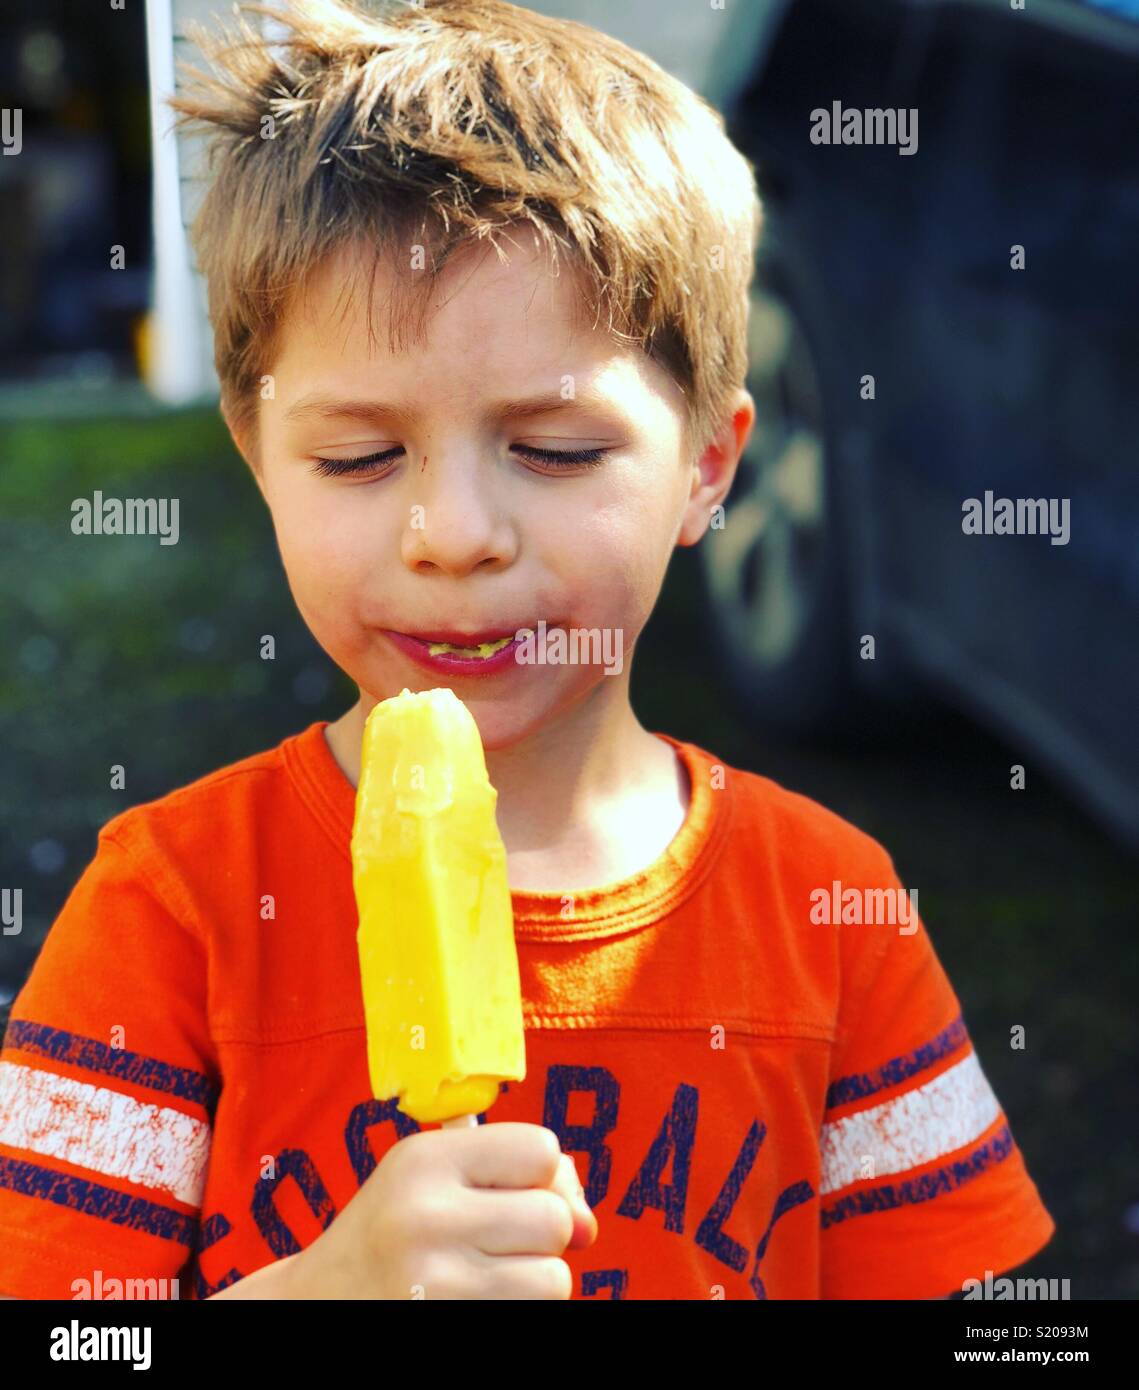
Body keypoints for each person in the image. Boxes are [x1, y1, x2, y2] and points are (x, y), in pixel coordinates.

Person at [0, 0, 1052, 1300]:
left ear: (709, 467)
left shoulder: (835, 912)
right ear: (258, 456)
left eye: (555, 451)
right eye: (359, 456)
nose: (455, 535)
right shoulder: (169, 916)